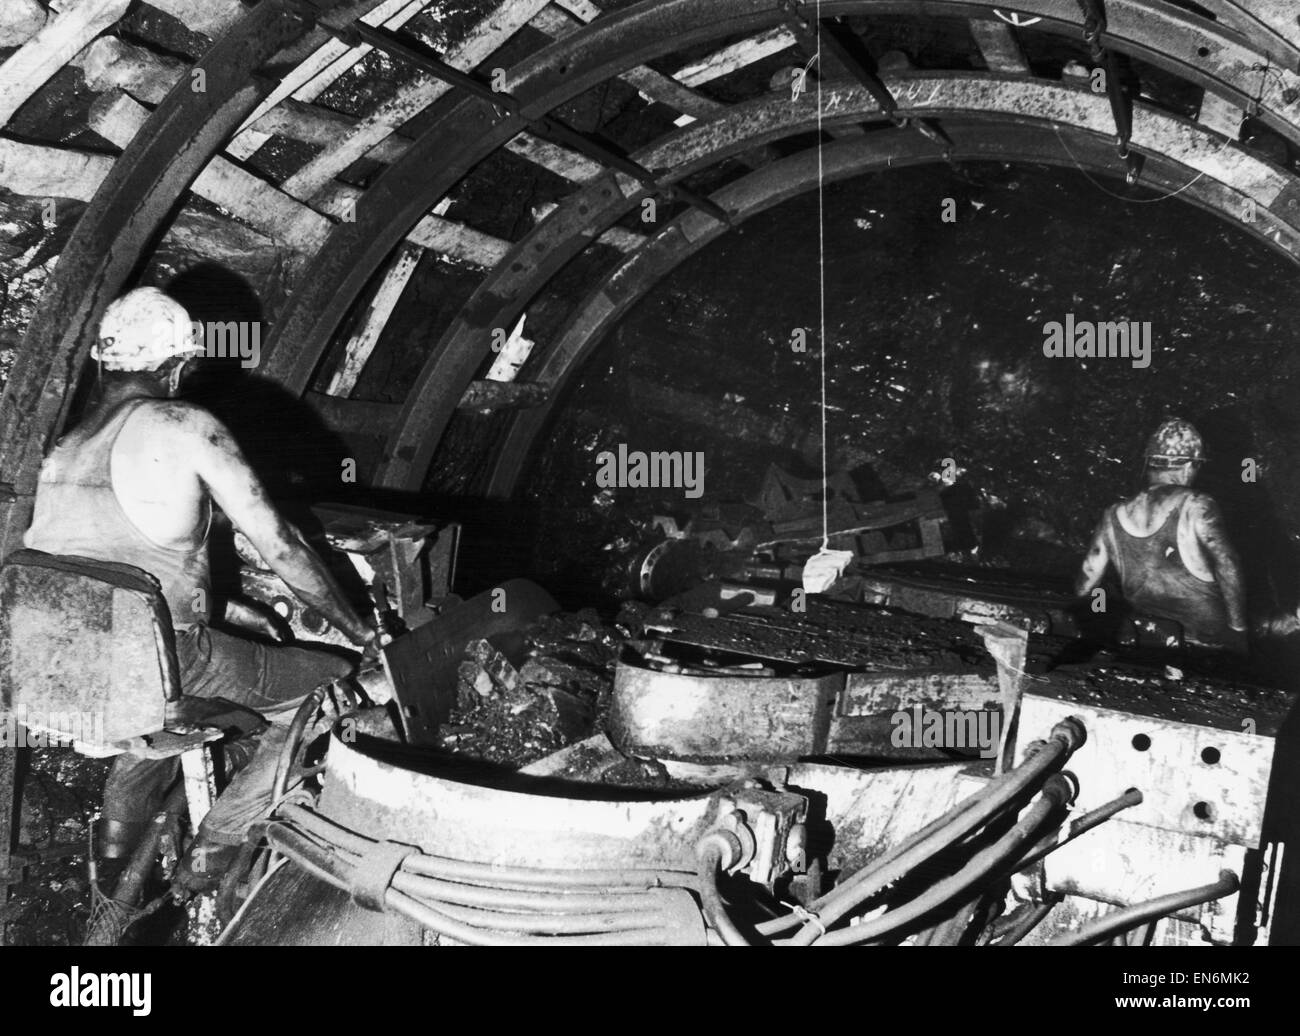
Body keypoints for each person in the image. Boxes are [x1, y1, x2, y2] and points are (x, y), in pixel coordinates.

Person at [23, 287, 379, 888]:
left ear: (101, 361)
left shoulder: (66, 448)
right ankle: (217, 844)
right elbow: (284, 546)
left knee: (154, 701)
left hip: (56, 673)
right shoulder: (184, 424)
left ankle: (112, 867)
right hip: (162, 665)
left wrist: (229, 604)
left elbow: (100, 562)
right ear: (177, 366)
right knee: (332, 687)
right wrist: (360, 629)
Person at [1075, 418, 1247, 653]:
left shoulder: (1113, 514)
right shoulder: (1196, 505)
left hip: (1148, 633)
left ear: (1150, 463)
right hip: (1204, 638)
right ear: (1189, 466)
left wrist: (1084, 621)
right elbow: (1227, 562)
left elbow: (1089, 574)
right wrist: (1237, 628)